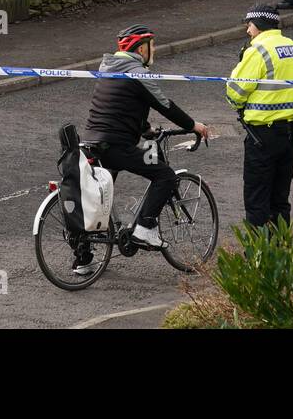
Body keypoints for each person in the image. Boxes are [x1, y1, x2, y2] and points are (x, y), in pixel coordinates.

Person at [79, 25, 211, 271]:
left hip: (92, 141)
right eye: (153, 45)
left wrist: (145, 130)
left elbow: (123, 105)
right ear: (142, 48)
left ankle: (83, 259)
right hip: (116, 145)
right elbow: (165, 105)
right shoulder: (138, 72)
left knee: (99, 200)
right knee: (165, 176)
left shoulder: (108, 68)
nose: (155, 49)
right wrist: (194, 126)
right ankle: (145, 228)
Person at [226, 4, 293, 228]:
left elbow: (235, 91)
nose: (247, 31)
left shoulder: (258, 50)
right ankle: (281, 252)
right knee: (280, 198)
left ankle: (258, 257)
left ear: (259, 26)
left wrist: (236, 101)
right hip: (292, 132)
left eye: (249, 25)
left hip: (263, 135)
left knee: (257, 198)